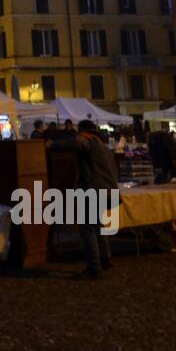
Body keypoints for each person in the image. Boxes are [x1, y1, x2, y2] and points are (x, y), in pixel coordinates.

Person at [50, 119, 119, 279]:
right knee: (98, 226)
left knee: (87, 228)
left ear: (83, 131)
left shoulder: (88, 140)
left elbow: (76, 142)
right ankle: (105, 258)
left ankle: (94, 267)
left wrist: (52, 144)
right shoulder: (103, 146)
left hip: (93, 190)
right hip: (106, 190)